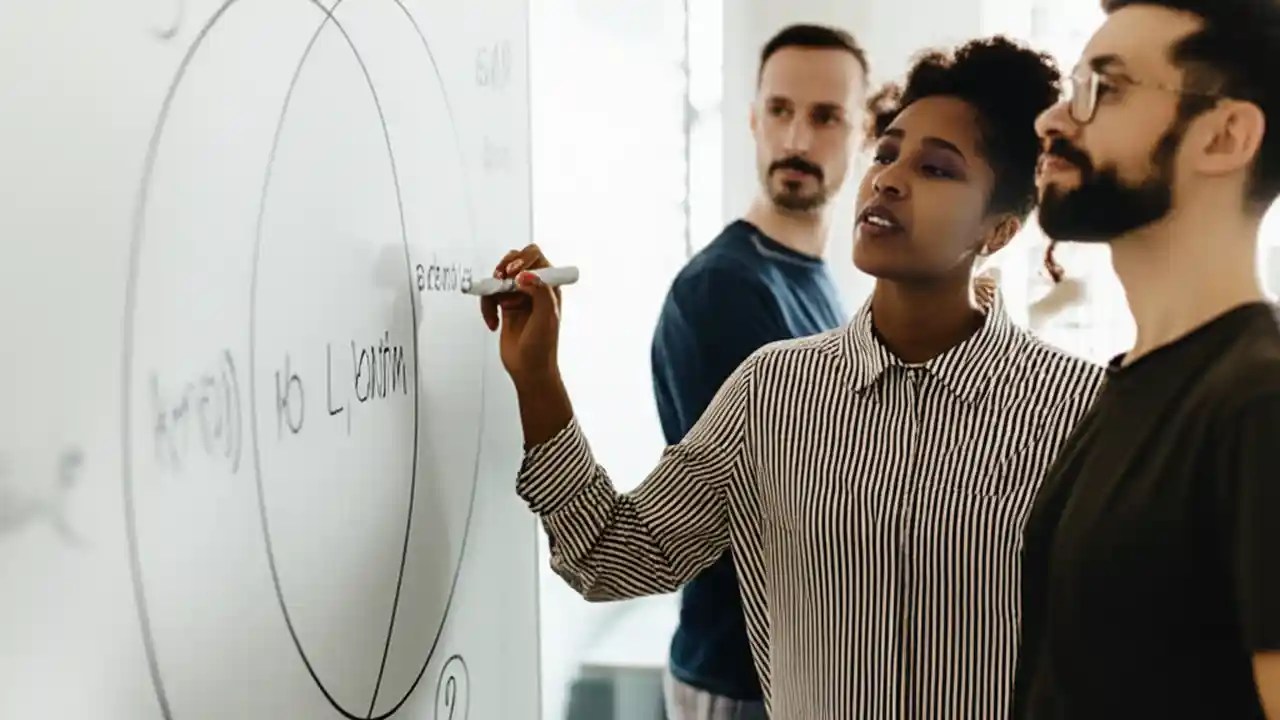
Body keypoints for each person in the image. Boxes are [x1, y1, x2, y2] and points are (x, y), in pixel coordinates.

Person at [482, 36, 1102, 719]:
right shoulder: (773, 389)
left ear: (999, 231)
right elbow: (609, 555)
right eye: (887, 153)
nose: (888, 179)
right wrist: (537, 376)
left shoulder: (1080, 410)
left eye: (936, 168)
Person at [1014, 1, 1280, 717]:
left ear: (1224, 136)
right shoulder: (1131, 383)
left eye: (1104, 88)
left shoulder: (1260, 402)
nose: (1052, 120)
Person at [649, 24, 865, 719]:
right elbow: (784, 502)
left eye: (826, 117)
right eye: (780, 110)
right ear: (752, 119)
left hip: (792, 669)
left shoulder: (813, 281)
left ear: (862, 131)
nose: (797, 139)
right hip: (743, 677)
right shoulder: (725, 289)